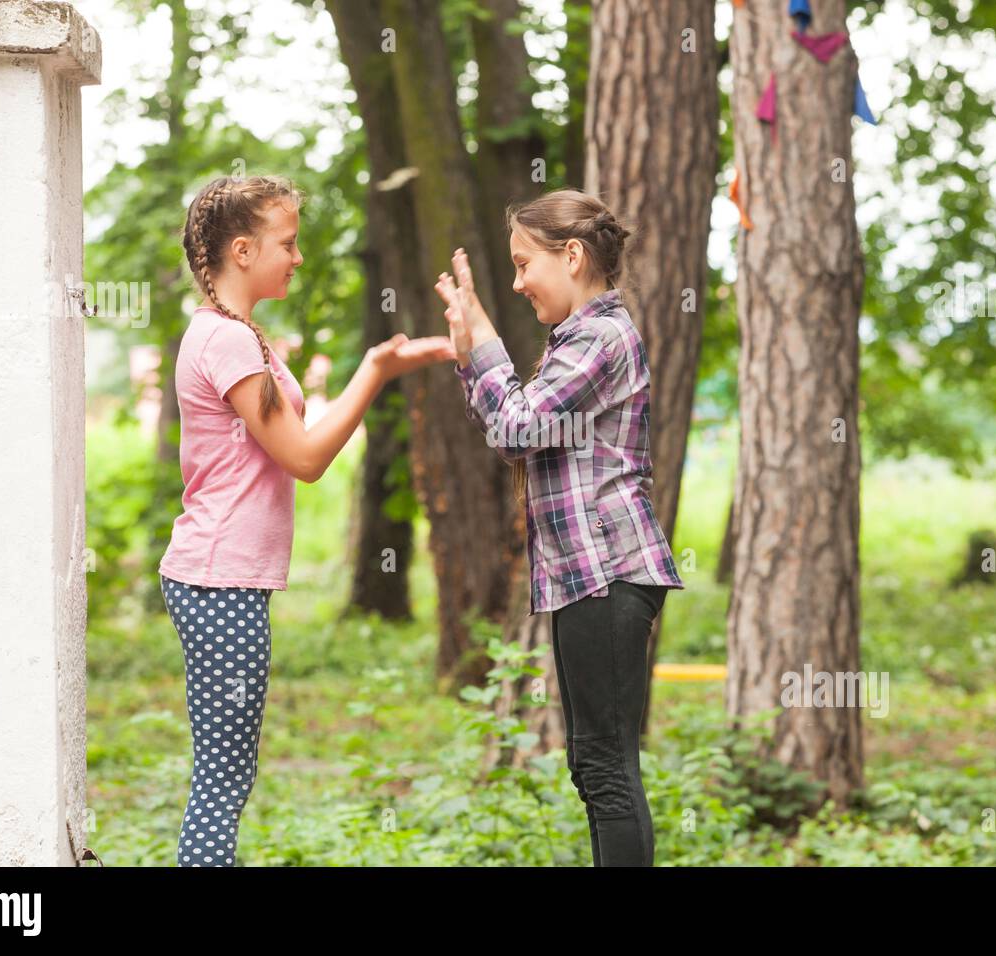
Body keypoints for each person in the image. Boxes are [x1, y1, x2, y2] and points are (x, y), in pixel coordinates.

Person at [158, 174, 455, 866]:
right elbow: (307, 456)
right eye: (286, 244)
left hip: (223, 579)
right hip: (217, 580)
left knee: (225, 775)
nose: (297, 257)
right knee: (223, 779)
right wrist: (376, 370)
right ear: (240, 250)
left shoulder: (233, 334)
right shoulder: (227, 343)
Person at [434, 188, 685, 866]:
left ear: (571, 255)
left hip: (607, 576)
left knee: (605, 766)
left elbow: (516, 429)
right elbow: (516, 424)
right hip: (590, 578)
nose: (517, 283)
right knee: (592, 762)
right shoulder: (579, 339)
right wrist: (471, 356)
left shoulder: (599, 339)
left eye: (523, 264)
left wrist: (481, 339)